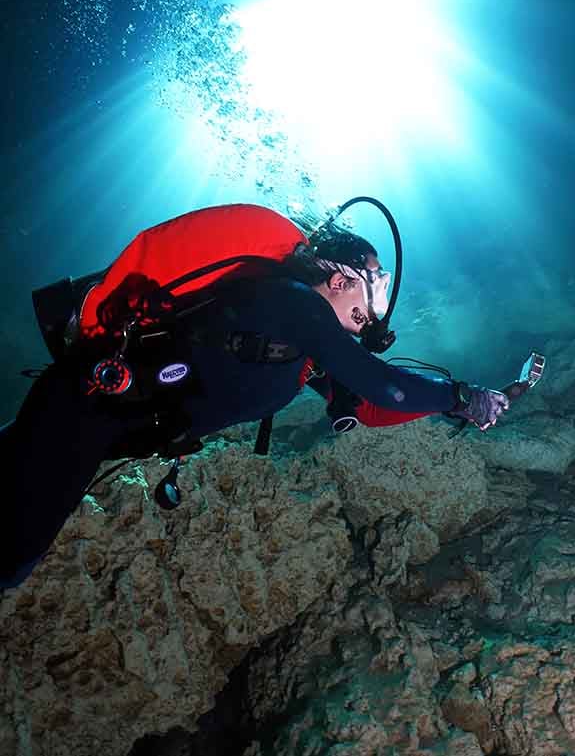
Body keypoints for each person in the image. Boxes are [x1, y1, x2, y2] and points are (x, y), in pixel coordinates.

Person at [0, 202, 509, 589]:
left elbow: (370, 406)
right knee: (11, 557)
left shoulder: (292, 351)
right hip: (80, 411)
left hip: (94, 427)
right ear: (339, 276)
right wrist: (460, 395)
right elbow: (383, 383)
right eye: (375, 282)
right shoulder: (289, 302)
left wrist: (468, 406)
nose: (377, 302)